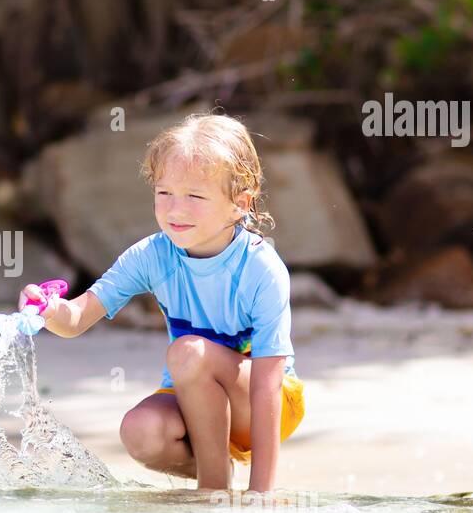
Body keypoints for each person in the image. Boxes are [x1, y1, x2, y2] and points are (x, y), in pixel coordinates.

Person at [18, 112, 303, 492]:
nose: (175, 209)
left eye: (195, 196)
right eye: (164, 192)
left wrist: (261, 493)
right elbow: (76, 319)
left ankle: (213, 489)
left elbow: (268, 381)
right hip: (195, 401)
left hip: (264, 405)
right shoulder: (152, 256)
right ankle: (215, 480)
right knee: (140, 431)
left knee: (189, 353)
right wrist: (48, 309)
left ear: (240, 203)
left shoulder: (260, 268)